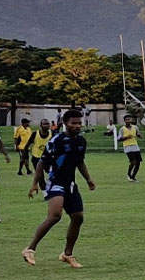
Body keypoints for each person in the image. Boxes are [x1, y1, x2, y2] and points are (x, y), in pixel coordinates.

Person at [23, 109, 94, 268]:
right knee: (55, 215)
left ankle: (67, 254)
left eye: (79, 123)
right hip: (55, 182)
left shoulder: (81, 142)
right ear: (65, 124)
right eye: (73, 123)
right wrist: (35, 183)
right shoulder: (57, 141)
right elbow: (42, 162)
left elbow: (79, 162)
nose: (77, 126)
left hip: (70, 185)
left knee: (78, 218)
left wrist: (88, 179)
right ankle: (29, 249)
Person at [118, 114, 144, 182]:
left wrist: (139, 135)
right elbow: (119, 139)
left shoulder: (135, 127)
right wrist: (126, 137)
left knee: (138, 162)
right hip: (128, 147)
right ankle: (129, 174)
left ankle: (133, 177)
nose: (128, 121)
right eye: (126, 120)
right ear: (124, 121)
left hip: (135, 146)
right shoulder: (122, 129)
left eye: (129, 119)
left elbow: (138, 134)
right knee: (133, 162)